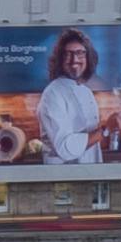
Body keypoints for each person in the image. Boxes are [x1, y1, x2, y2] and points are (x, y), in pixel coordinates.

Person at [33, 29, 107, 167]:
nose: (75, 60)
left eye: (80, 53)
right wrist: (105, 130)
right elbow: (65, 148)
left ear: (88, 57)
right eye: (68, 54)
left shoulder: (86, 91)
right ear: (60, 59)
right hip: (64, 179)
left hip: (89, 175)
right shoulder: (52, 94)